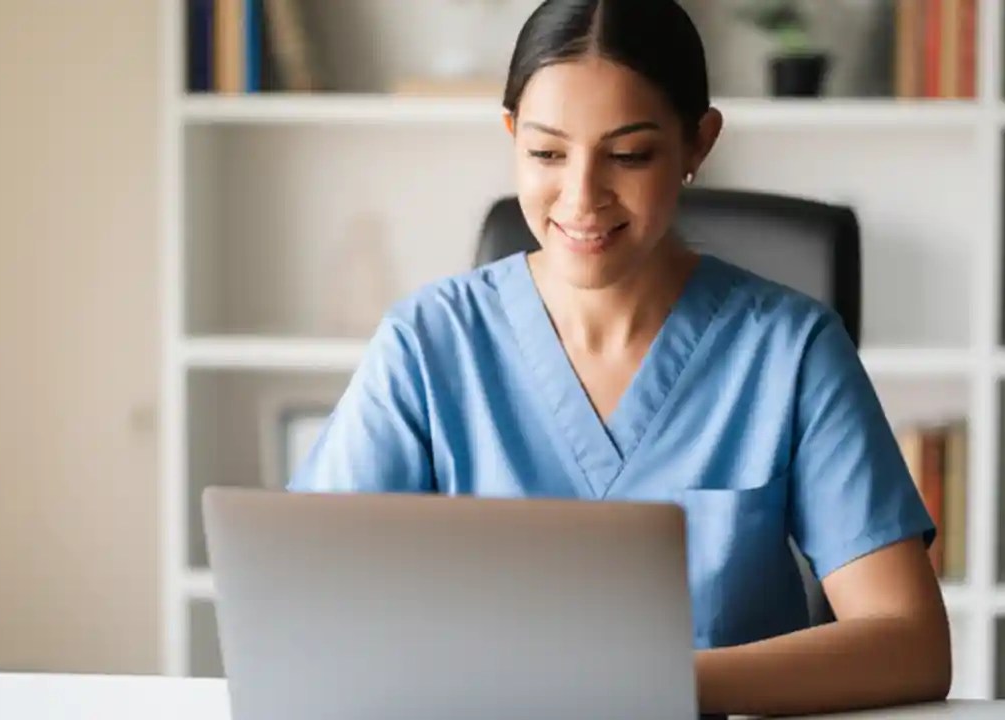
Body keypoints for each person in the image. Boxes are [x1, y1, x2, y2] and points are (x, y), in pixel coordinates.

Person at [288, 0, 952, 715]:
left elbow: (908, 641)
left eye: (629, 155)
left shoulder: (790, 352)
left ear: (699, 144)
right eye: (546, 153)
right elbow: (305, 606)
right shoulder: (426, 346)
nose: (581, 198)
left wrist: (653, 685)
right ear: (510, 135)